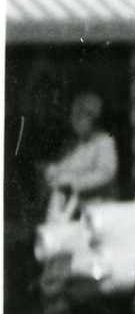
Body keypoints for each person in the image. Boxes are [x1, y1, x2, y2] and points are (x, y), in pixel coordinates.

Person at [41, 93, 119, 222]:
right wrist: (55, 170)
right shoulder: (76, 144)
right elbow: (66, 166)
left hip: (96, 206)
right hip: (72, 207)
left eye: (79, 117)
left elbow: (106, 173)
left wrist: (73, 182)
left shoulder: (104, 142)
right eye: (73, 117)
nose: (74, 122)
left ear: (92, 119)